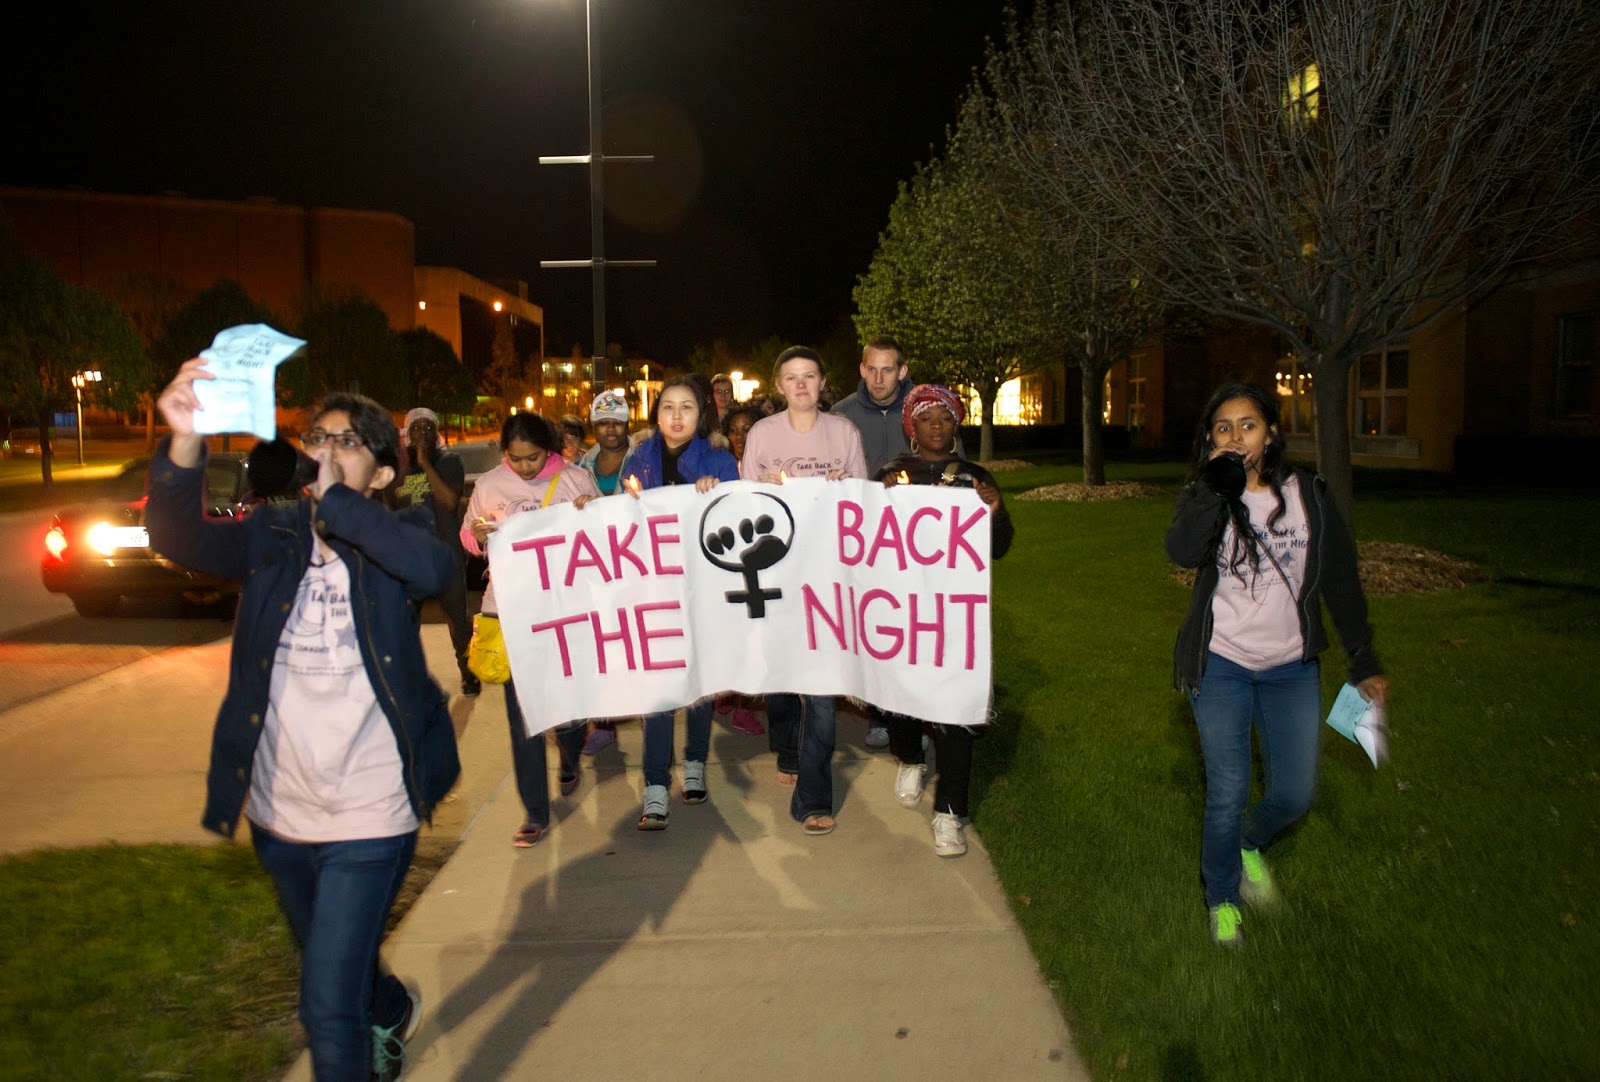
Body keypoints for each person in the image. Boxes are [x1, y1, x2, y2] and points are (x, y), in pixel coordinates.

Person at [146, 360, 459, 1082]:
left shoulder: (399, 531)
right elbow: (176, 536)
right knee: (335, 964)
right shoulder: (275, 533)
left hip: (370, 812)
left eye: (346, 443)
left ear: (382, 475)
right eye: (316, 436)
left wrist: (336, 504)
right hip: (280, 811)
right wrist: (186, 438)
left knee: (324, 1009)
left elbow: (433, 571)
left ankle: (361, 1016)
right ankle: (387, 1004)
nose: (323, 449)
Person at [1166, 382, 1390, 948]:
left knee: (1294, 793)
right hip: (1221, 663)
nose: (1236, 436)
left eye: (1248, 425)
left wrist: (1363, 657)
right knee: (1228, 788)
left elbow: (1339, 578)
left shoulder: (1308, 492)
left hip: (1292, 668)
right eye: (1223, 427)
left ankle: (1246, 844)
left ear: (1271, 433)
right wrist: (1216, 490)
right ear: (1210, 440)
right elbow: (1182, 552)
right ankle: (1221, 897)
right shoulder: (1206, 491)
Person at [877, 385, 1013, 858]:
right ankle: (911, 756)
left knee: (955, 708)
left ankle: (950, 812)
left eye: (946, 418)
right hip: (902, 610)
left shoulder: (975, 477)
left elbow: (998, 547)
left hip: (956, 615)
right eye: (927, 418)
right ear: (912, 427)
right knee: (900, 696)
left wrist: (992, 510)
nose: (937, 426)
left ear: (958, 426)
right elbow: (867, 540)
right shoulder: (891, 476)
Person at [741, 346, 868, 835]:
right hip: (775, 577)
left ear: (822, 383)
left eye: (809, 377)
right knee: (780, 675)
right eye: (791, 378)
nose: (800, 386)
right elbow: (742, 506)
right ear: (779, 386)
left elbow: (865, 505)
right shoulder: (762, 434)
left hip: (828, 579)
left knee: (819, 689)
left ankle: (813, 798)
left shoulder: (844, 433)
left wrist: (844, 487)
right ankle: (788, 748)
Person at [460, 412, 603, 848]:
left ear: (551, 449)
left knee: (570, 704)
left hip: (567, 608)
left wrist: (590, 513)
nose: (523, 467)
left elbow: (606, 531)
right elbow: (469, 538)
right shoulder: (488, 485)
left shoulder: (577, 481)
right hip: (509, 612)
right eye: (515, 458)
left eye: (533, 457)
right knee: (521, 717)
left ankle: (571, 744)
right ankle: (535, 813)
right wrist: (480, 536)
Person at [624, 376, 741, 828]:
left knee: (699, 683)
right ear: (656, 413)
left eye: (686, 407)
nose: (676, 416)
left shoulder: (718, 459)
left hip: (703, 587)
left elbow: (735, 521)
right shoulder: (640, 458)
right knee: (657, 690)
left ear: (701, 414)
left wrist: (718, 492)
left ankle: (694, 763)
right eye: (667, 406)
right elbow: (620, 516)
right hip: (655, 587)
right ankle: (656, 785)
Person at [831, 334, 914, 749]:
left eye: (888, 370)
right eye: (871, 369)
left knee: (912, 624)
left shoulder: (924, 410)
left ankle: (914, 712)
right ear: (862, 369)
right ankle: (880, 714)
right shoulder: (841, 415)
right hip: (863, 541)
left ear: (902, 371)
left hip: (915, 542)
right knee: (876, 625)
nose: (879, 378)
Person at [572, 390, 638, 753]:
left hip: (639, 566)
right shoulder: (581, 468)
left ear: (627, 422)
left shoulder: (645, 458)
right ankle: (605, 724)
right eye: (603, 423)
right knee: (602, 647)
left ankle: (649, 714)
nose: (611, 430)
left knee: (638, 643)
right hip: (597, 568)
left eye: (617, 422)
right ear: (593, 425)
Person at [394, 407, 477, 697]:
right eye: (416, 428)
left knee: (457, 619)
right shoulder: (397, 468)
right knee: (405, 622)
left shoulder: (449, 460)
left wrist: (425, 463)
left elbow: (450, 502)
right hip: (409, 560)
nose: (423, 433)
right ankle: (409, 676)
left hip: (446, 555)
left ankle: (468, 672)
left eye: (429, 427)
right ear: (406, 433)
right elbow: (388, 508)